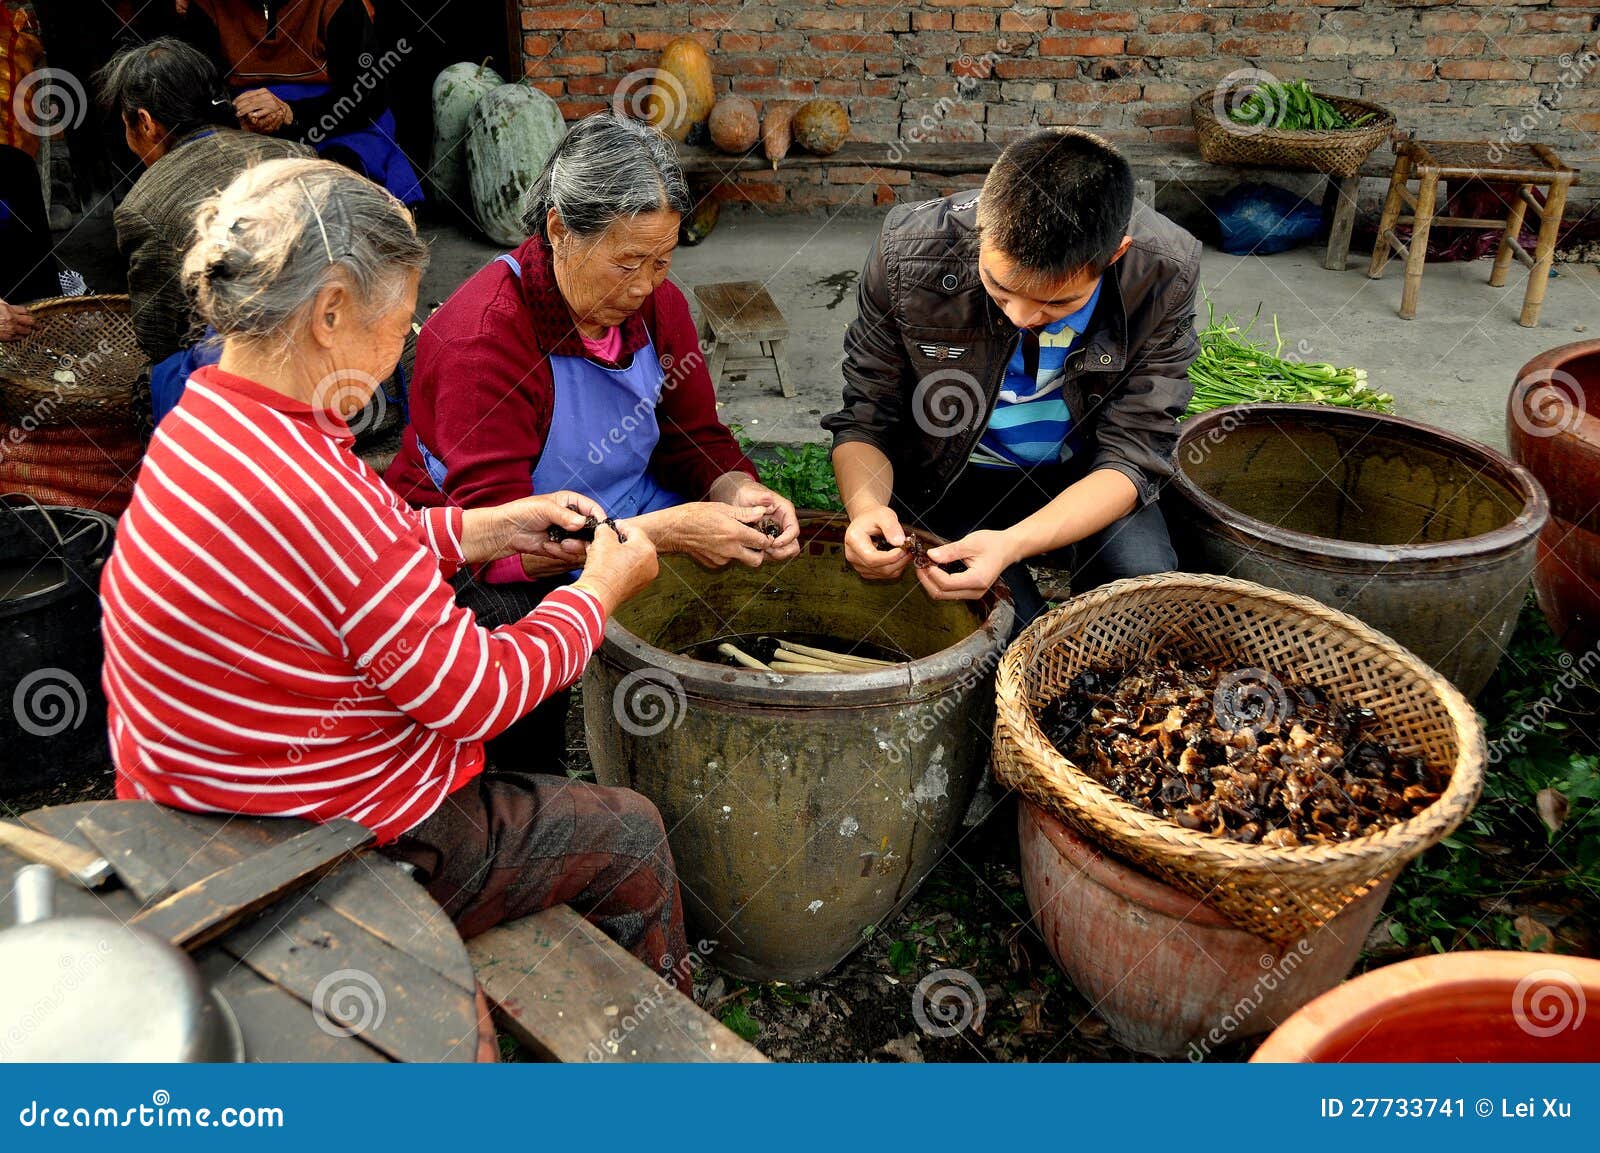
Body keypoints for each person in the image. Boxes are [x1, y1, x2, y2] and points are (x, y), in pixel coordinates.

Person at [101, 157, 690, 990]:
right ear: (332, 311)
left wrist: (488, 526)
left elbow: (346, 552)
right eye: (403, 320)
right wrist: (598, 592)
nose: (408, 343)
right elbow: (473, 694)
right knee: (628, 832)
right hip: (322, 847)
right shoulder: (316, 488)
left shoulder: (206, 421)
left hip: (202, 800)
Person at [386, 112, 800, 769]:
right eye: (627, 262)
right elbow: (504, 534)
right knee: (506, 621)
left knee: (734, 565)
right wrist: (671, 530)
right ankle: (526, 792)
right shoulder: (484, 337)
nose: (644, 286)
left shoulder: (654, 305)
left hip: (618, 506)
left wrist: (737, 488)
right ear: (559, 230)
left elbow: (690, 432)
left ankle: (685, 756)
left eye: (661, 261)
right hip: (491, 535)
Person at [824, 129, 1201, 628]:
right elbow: (868, 419)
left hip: (1086, 472)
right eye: (1000, 289)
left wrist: (1012, 543)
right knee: (1006, 627)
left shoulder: (1161, 270)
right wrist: (866, 508)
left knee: (1137, 593)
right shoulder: (908, 253)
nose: (1022, 316)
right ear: (984, 228)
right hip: (949, 474)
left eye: (1058, 303)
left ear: (1114, 255)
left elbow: (1133, 451)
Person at [97, 37, 309, 428]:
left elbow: (157, 337)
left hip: (257, 397)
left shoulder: (143, 206)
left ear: (145, 122)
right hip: (334, 362)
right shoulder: (297, 156)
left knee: (160, 375)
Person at [168, 0, 421, 204]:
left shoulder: (337, 4)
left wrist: (291, 113)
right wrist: (234, 115)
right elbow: (197, 90)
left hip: (331, 116)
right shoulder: (206, 7)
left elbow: (369, 91)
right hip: (244, 118)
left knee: (340, 171)